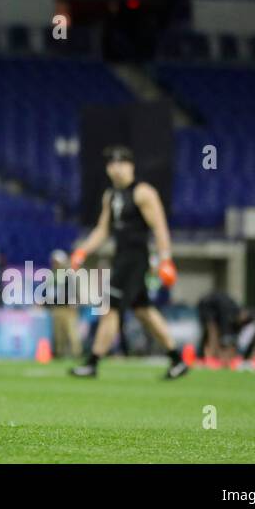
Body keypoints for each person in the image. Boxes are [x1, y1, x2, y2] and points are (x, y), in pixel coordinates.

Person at [69, 146, 187, 380]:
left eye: (121, 163)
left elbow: (160, 226)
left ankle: (92, 362)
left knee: (110, 309)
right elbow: (103, 230)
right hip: (121, 257)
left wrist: (165, 259)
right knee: (143, 311)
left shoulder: (143, 192)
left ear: (131, 165)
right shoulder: (110, 195)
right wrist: (82, 251)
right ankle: (177, 360)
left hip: (135, 259)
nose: (115, 168)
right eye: (111, 164)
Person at [49, 249, 82, 359]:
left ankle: (76, 354)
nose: (55, 264)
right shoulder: (52, 276)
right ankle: (59, 354)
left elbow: (74, 289)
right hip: (57, 308)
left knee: (72, 333)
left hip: (68, 307)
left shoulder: (68, 274)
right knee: (59, 334)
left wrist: (75, 302)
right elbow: (48, 292)